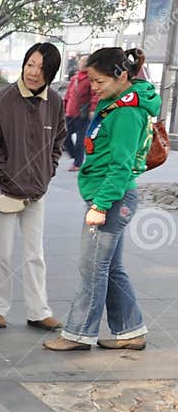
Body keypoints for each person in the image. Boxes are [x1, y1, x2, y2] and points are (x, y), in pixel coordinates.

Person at [45, 48, 158, 352]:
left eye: (98, 81)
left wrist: (99, 206)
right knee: (110, 268)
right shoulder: (117, 102)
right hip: (111, 195)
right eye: (90, 81)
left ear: (121, 76)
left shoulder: (126, 112)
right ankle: (130, 331)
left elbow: (120, 166)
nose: (92, 87)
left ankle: (78, 334)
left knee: (92, 269)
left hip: (111, 198)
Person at [0, 42, 66, 332]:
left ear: (50, 73)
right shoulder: (4, 98)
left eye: (41, 68)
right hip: (4, 191)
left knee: (35, 254)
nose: (33, 72)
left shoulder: (54, 102)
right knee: (0, 252)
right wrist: (9, 179)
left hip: (36, 193)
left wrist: (47, 173)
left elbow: (58, 142)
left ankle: (38, 311)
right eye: (30, 64)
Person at [63, 54, 98, 171]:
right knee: (64, 136)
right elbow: (68, 94)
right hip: (70, 113)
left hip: (82, 114)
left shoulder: (90, 79)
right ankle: (74, 155)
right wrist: (63, 108)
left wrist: (92, 109)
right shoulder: (75, 78)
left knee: (80, 141)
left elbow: (94, 96)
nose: (82, 64)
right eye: (81, 62)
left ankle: (78, 164)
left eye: (84, 63)